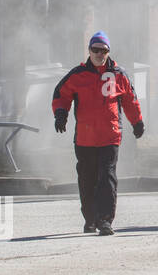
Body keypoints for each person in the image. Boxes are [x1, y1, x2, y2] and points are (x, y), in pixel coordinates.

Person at [52, 32, 144, 236]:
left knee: (107, 178)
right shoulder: (77, 74)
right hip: (85, 139)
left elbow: (130, 100)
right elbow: (61, 94)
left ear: (108, 52)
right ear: (89, 51)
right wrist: (60, 114)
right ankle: (90, 219)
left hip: (110, 136)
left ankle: (105, 221)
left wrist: (137, 122)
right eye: (95, 50)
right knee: (87, 179)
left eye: (103, 50)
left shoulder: (119, 74)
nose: (99, 54)